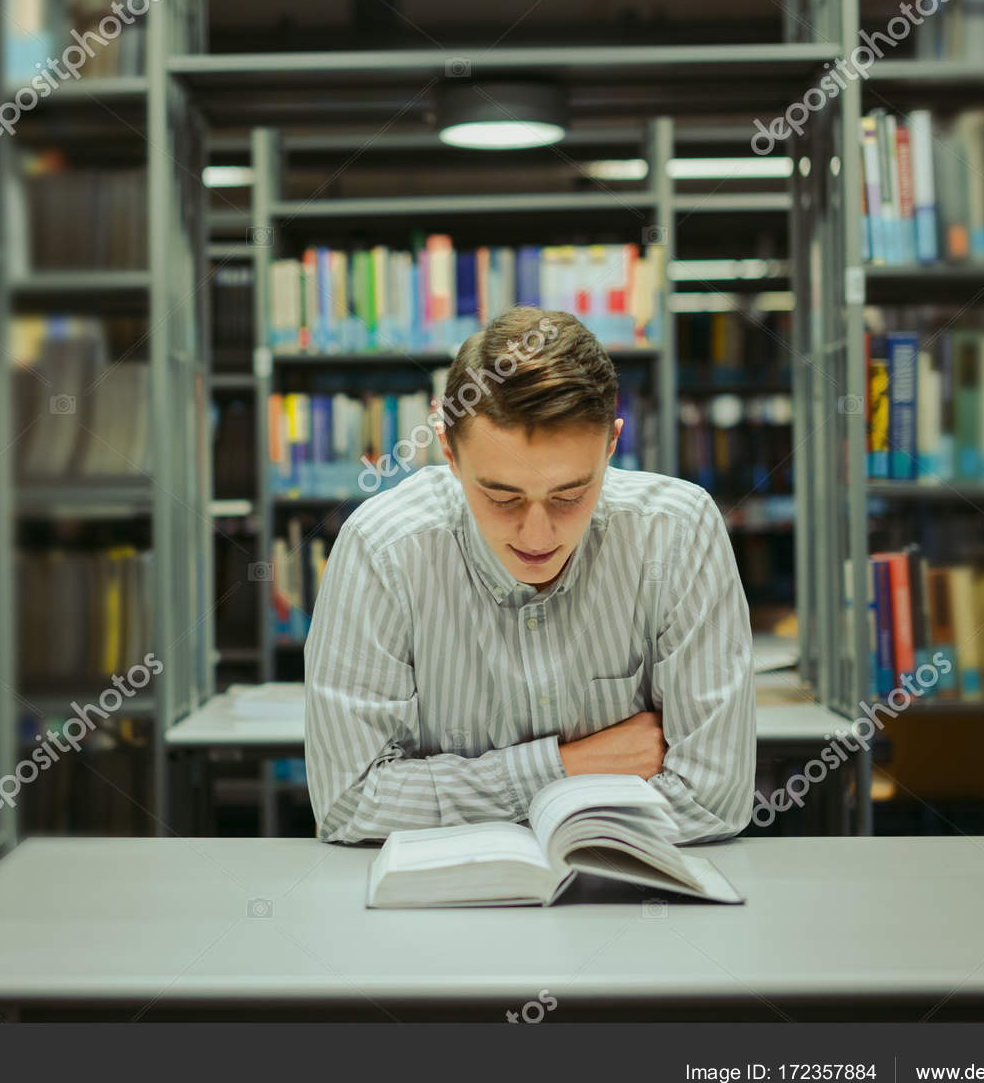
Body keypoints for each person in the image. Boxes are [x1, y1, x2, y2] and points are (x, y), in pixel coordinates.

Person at [303, 305, 755, 845]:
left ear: (612, 445)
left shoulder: (679, 531)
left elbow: (714, 798)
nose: (537, 536)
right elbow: (350, 802)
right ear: (448, 450)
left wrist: (442, 801)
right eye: (502, 497)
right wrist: (570, 766)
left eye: (570, 495)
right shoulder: (382, 550)